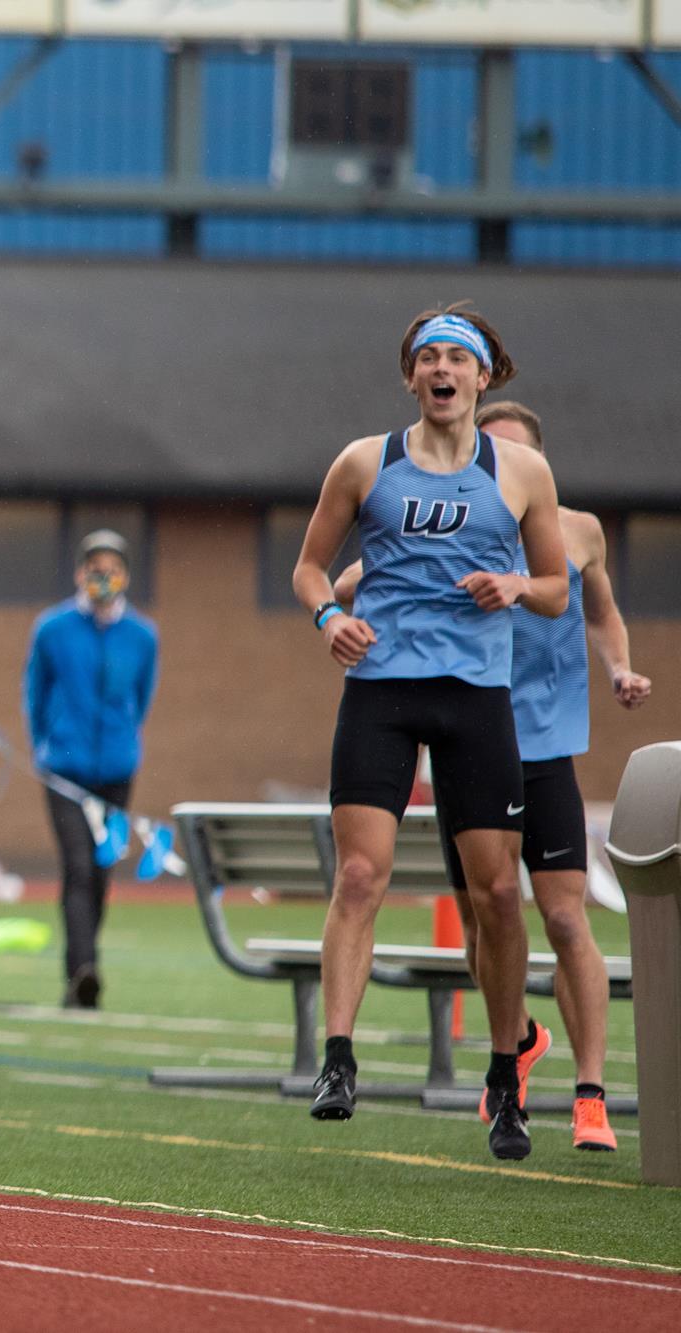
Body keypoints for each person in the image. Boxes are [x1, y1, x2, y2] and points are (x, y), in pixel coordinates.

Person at [333, 399, 649, 1152]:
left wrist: (620, 667)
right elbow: (351, 575)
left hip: (543, 743)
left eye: (506, 454)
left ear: (535, 469)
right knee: (485, 917)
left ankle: (591, 1095)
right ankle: (520, 1040)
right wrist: (350, 603)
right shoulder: (441, 519)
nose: (482, 466)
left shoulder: (574, 532)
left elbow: (595, 608)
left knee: (565, 915)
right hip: (470, 734)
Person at [291, 303, 568, 1161]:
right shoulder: (362, 463)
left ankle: (503, 1071)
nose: (443, 370)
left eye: (459, 358)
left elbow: (558, 584)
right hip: (380, 688)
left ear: (484, 378)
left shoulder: (520, 471)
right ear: (412, 377)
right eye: (429, 358)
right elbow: (307, 568)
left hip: (475, 697)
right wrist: (328, 616)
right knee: (362, 872)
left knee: (493, 894)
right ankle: (337, 1058)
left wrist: (517, 588)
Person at [22, 529, 159, 1009]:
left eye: (112, 567)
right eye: (94, 567)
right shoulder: (52, 629)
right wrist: (45, 743)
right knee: (77, 867)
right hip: (64, 770)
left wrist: (124, 741)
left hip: (117, 772)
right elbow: (36, 694)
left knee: (102, 871)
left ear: (125, 575)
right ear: (81, 572)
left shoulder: (143, 637)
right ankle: (84, 969)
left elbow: (140, 698)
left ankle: (82, 971)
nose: (104, 576)